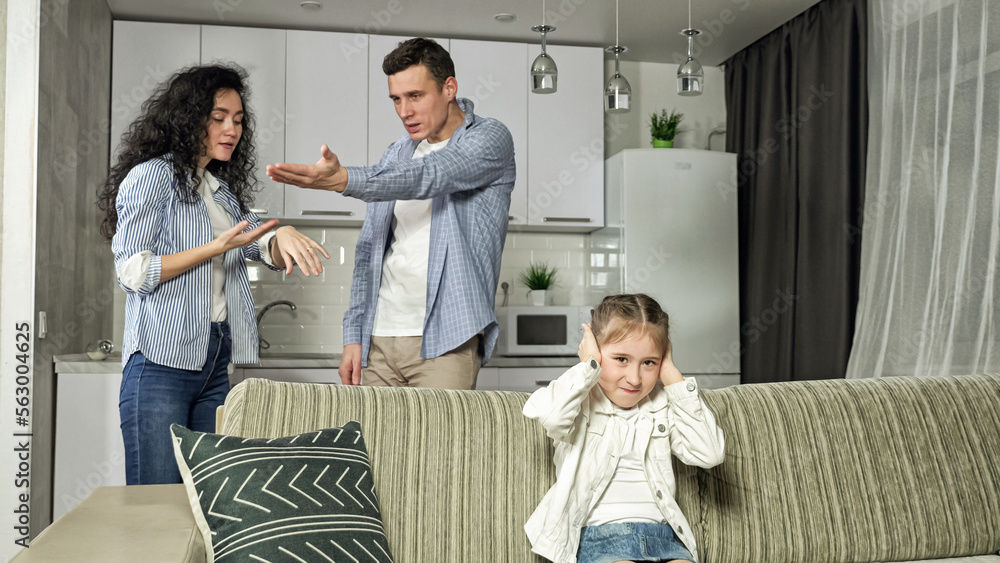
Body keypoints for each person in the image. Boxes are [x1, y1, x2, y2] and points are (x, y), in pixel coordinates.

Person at [98, 64, 329, 485]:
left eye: (238, 121)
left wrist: (284, 234)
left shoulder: (218, 191)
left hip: (214, 359)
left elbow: (257, 244)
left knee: (207, 500)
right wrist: (215, 248)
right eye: (218, 117)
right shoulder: (154, 176)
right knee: (156, 505)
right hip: (160, 364)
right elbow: (132, 271)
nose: (231, 129)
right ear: (189, 117)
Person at [266, 38, 515, 389]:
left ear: (449, 88)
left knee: (438, 445)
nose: (404, 111)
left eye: (415, 96)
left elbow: (433, 175)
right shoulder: (397, 153)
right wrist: (355, 334)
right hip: (379, 341)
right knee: (373, 445)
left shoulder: (489, 138)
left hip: (446, 341)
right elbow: (369, 249)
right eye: (396, 99)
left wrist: (345, 179)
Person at [522, 294, 726, 563]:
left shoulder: (663, 404)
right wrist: (588, 367)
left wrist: (673, 377)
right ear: (595, 350)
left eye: (649, 362)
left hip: (663, 539)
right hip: (598, 540)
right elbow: (551, 417)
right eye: (621, 359)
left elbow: (709, 454)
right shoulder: (579, 400)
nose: (634, 378)